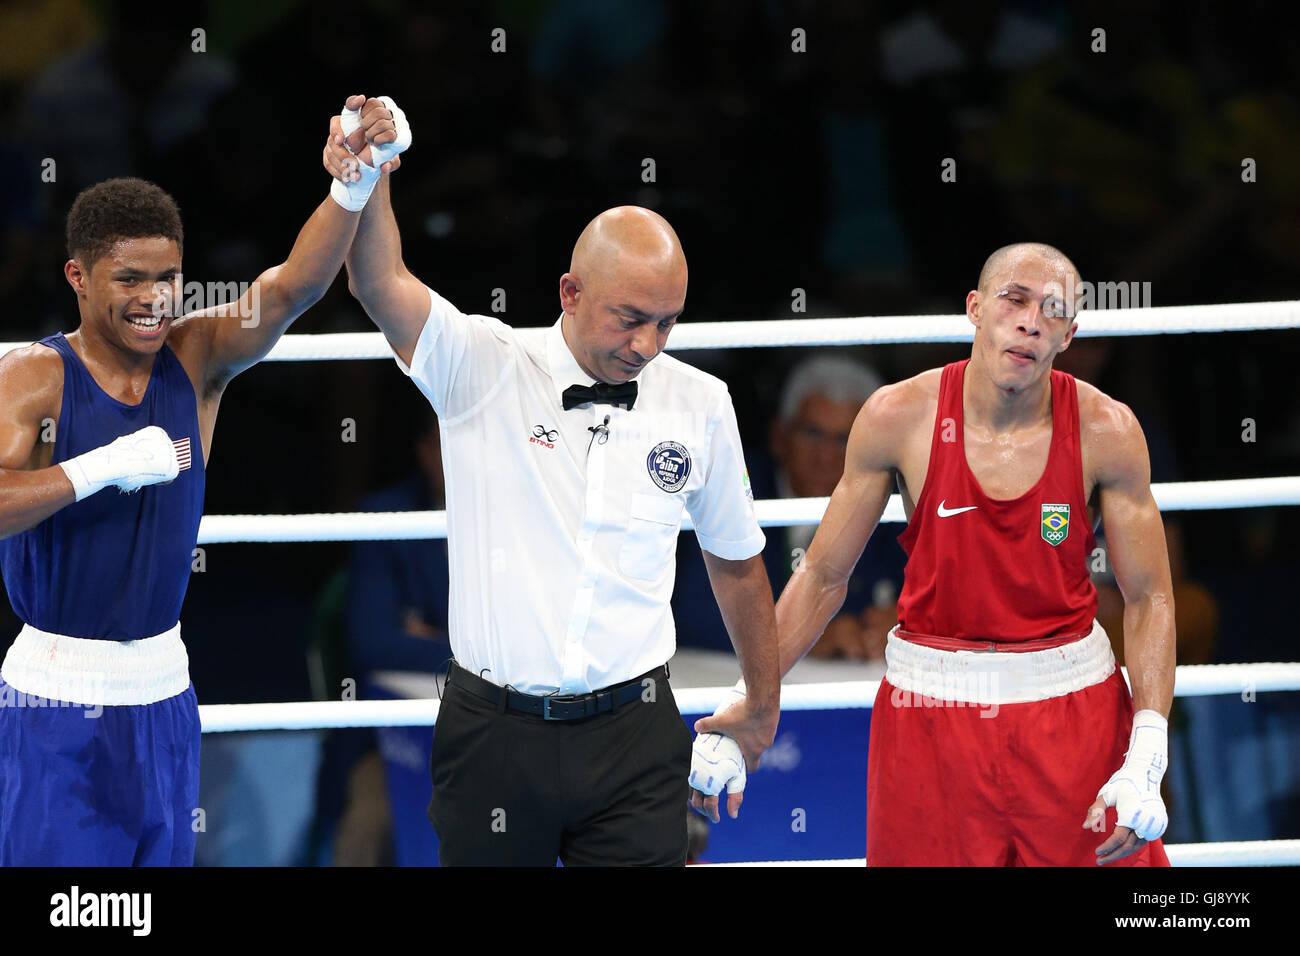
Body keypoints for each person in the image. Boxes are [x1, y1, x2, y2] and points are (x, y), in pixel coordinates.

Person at [324, 99, 780, 866]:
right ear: (569, 292)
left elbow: (736, 563)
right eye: (629, 318)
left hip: (637, 735)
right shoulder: (485, 365)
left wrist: (761, 712)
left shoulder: (700, 401)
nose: (647, 345)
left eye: (667, 322)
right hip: (492, 733)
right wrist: (372, 174)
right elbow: (379, 283)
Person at [0, 94, 408, 866]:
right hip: (54, 698)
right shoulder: (33, 378)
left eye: (169, 279)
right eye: (130, 279)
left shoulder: (199, 355)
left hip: (161, 692)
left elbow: (291, 289)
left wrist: (353, 185)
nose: (155, 300)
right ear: (77, 277)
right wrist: (97, 469)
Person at [717, 242, 1175, 866]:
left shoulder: (1107, 431)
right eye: (1014, 300)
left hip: (1074, 719)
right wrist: (751, 699)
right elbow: (823, 574)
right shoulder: (899, 417)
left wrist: (1149, 743)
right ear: (975, 308)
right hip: (930, 719)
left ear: (1071, 331)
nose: (1030, 320)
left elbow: (1150, 595)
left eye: (1053, 309)